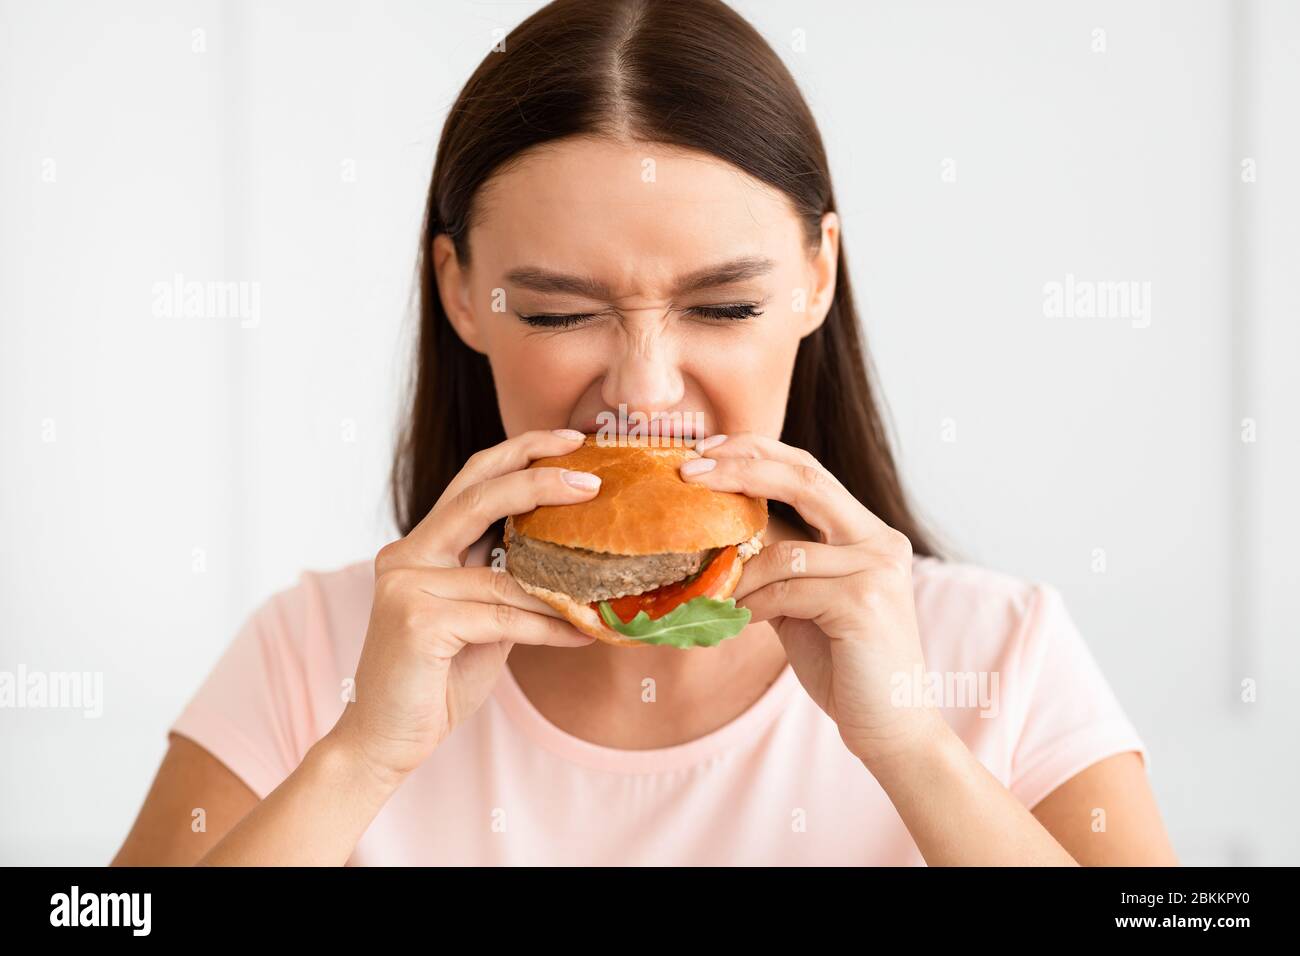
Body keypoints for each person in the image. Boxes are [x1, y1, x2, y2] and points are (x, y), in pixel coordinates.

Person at [113, 0, 1176, 866]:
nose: (645, 386)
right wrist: (357, 762)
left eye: (722, 307)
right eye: (559, 312)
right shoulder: (318, 652)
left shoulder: (1000, 650)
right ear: (462, 292)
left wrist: (910, 749)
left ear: (815, 276)